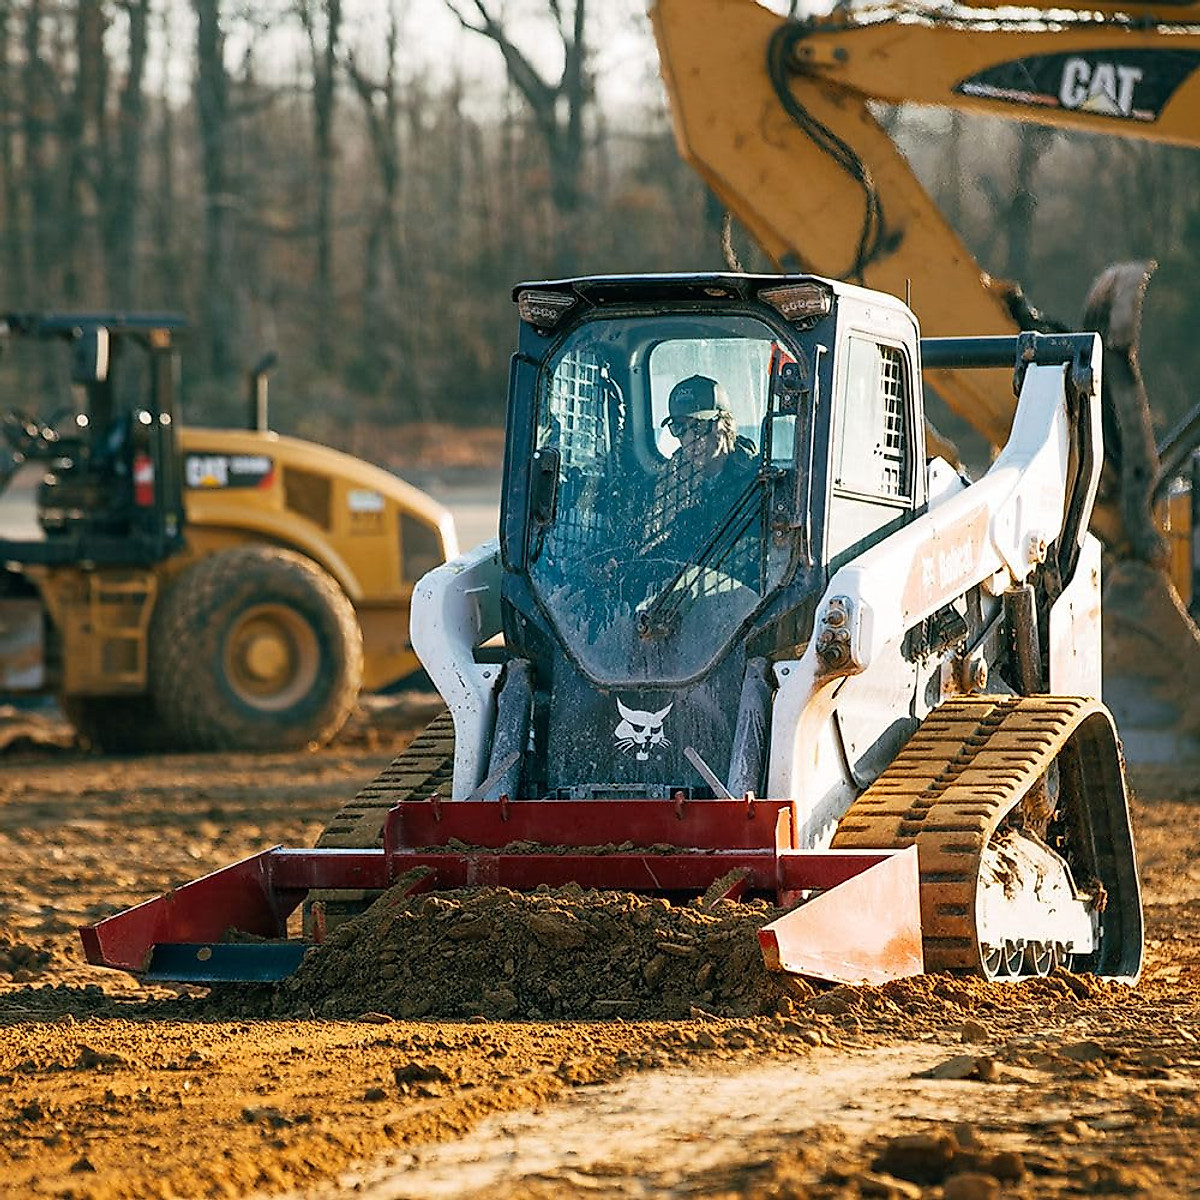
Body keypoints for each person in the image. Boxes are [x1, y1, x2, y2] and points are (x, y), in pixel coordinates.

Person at [643, 374, 758, 565]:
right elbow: (657, 549)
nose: (689, 438)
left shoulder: (757, 481)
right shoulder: (668, 484)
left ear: (724, 425)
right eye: (679, 427)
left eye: (698, 427)